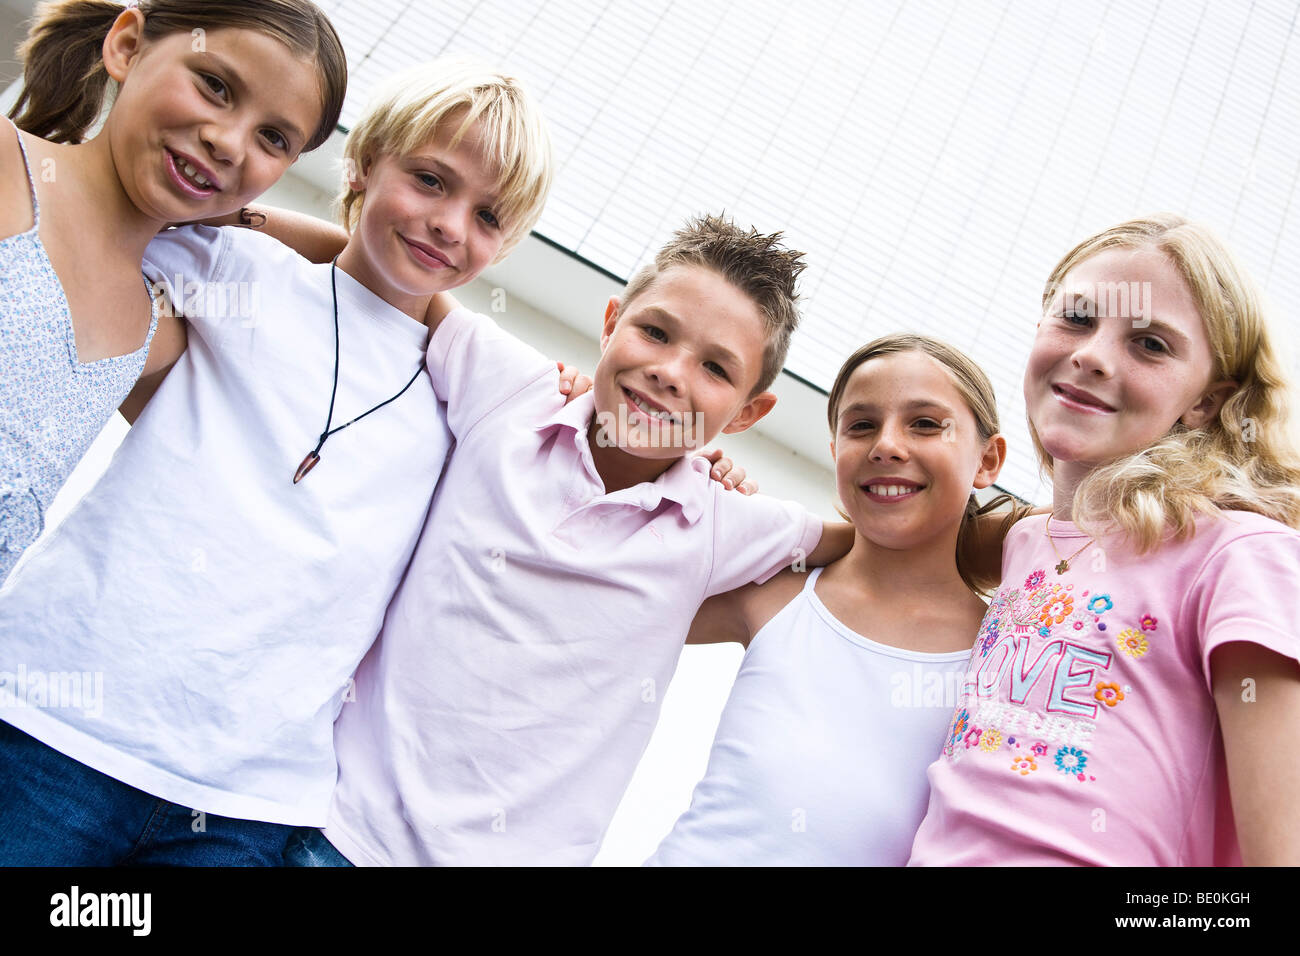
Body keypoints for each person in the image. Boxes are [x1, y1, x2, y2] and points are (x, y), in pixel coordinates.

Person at [0, 59, 554, 865]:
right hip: (50, 722)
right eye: (430, 181)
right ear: (363, 163)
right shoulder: (236, 275)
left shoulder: (475, 395)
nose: (448, 224)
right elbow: (131, 216)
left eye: (487, 217)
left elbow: (595, 451)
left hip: (245, 805)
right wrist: (311, 237)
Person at [291, 213, 855, 866]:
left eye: (715, 369)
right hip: (331, 827)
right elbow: (371, 262)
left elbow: (878, 545)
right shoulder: (507, 393)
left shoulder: (724, 525)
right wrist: (215, 213)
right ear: (611, 322)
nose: (672, 372)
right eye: (655, 332)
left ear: (748, 413)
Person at [908, 215, 1300, 866]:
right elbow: (882, 541)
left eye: (1149, 344)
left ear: (1206, 402)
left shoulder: (1243, 557)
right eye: (1078, 317)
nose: (1092, 354)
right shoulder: (1022, 541)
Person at [647, 334, 1029, 865]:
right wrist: (679, 484)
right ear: (835, 452)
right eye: (861, 425)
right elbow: (614, 589)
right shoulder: (776, 590)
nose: (886, 445)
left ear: (988, 459)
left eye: (924, 423)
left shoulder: (1009, 653)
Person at [0, 0, 346, 583]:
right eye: (214, 86)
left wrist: (448, 318)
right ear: (128, 46)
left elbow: (354, 263)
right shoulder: (8, 170)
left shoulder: (154, 335)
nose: (230, 144)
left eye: (272, 138)